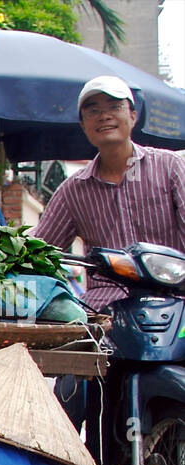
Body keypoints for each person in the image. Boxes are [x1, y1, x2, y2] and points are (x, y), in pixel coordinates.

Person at [32, 74, 185, 314]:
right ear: (83, 125)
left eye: (115, 107)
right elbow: (39, 251)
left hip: (174, 300)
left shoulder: (170, 166)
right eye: (93, 111)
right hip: (104, 310)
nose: (104, 116)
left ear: (133, 116)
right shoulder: (73, 190)